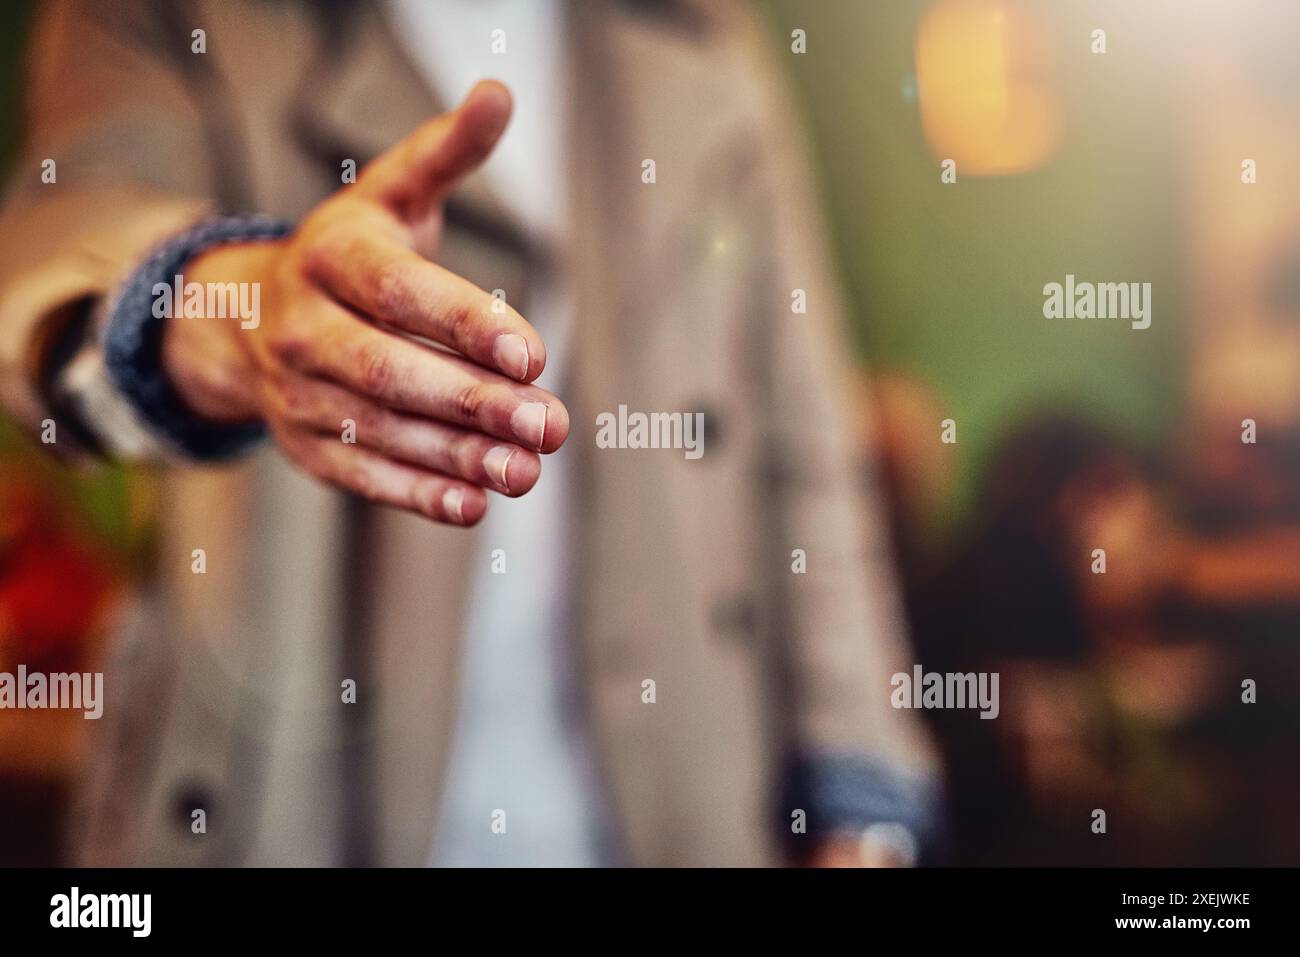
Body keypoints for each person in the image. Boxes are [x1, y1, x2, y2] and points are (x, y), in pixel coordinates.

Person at [0, 0, 938, 866]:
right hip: (285, 787)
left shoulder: (707, 40)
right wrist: (227, 313)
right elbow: (63, 243)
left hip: (689, 800)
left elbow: (808, 455)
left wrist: (861, 804)